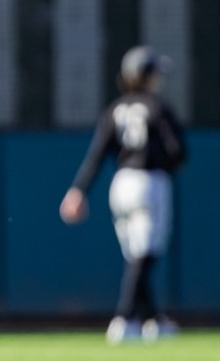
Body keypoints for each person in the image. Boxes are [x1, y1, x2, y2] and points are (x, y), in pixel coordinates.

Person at [60, 46, 188, 345]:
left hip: (121, 184)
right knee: (145, 255)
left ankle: (152, 320)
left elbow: (97, 154)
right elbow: (178, 152)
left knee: (135, 256)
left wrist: (78, 190)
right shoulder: (158, 108)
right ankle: (124, 317)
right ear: (147, 75)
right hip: (149, 181)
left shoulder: (115, 109)